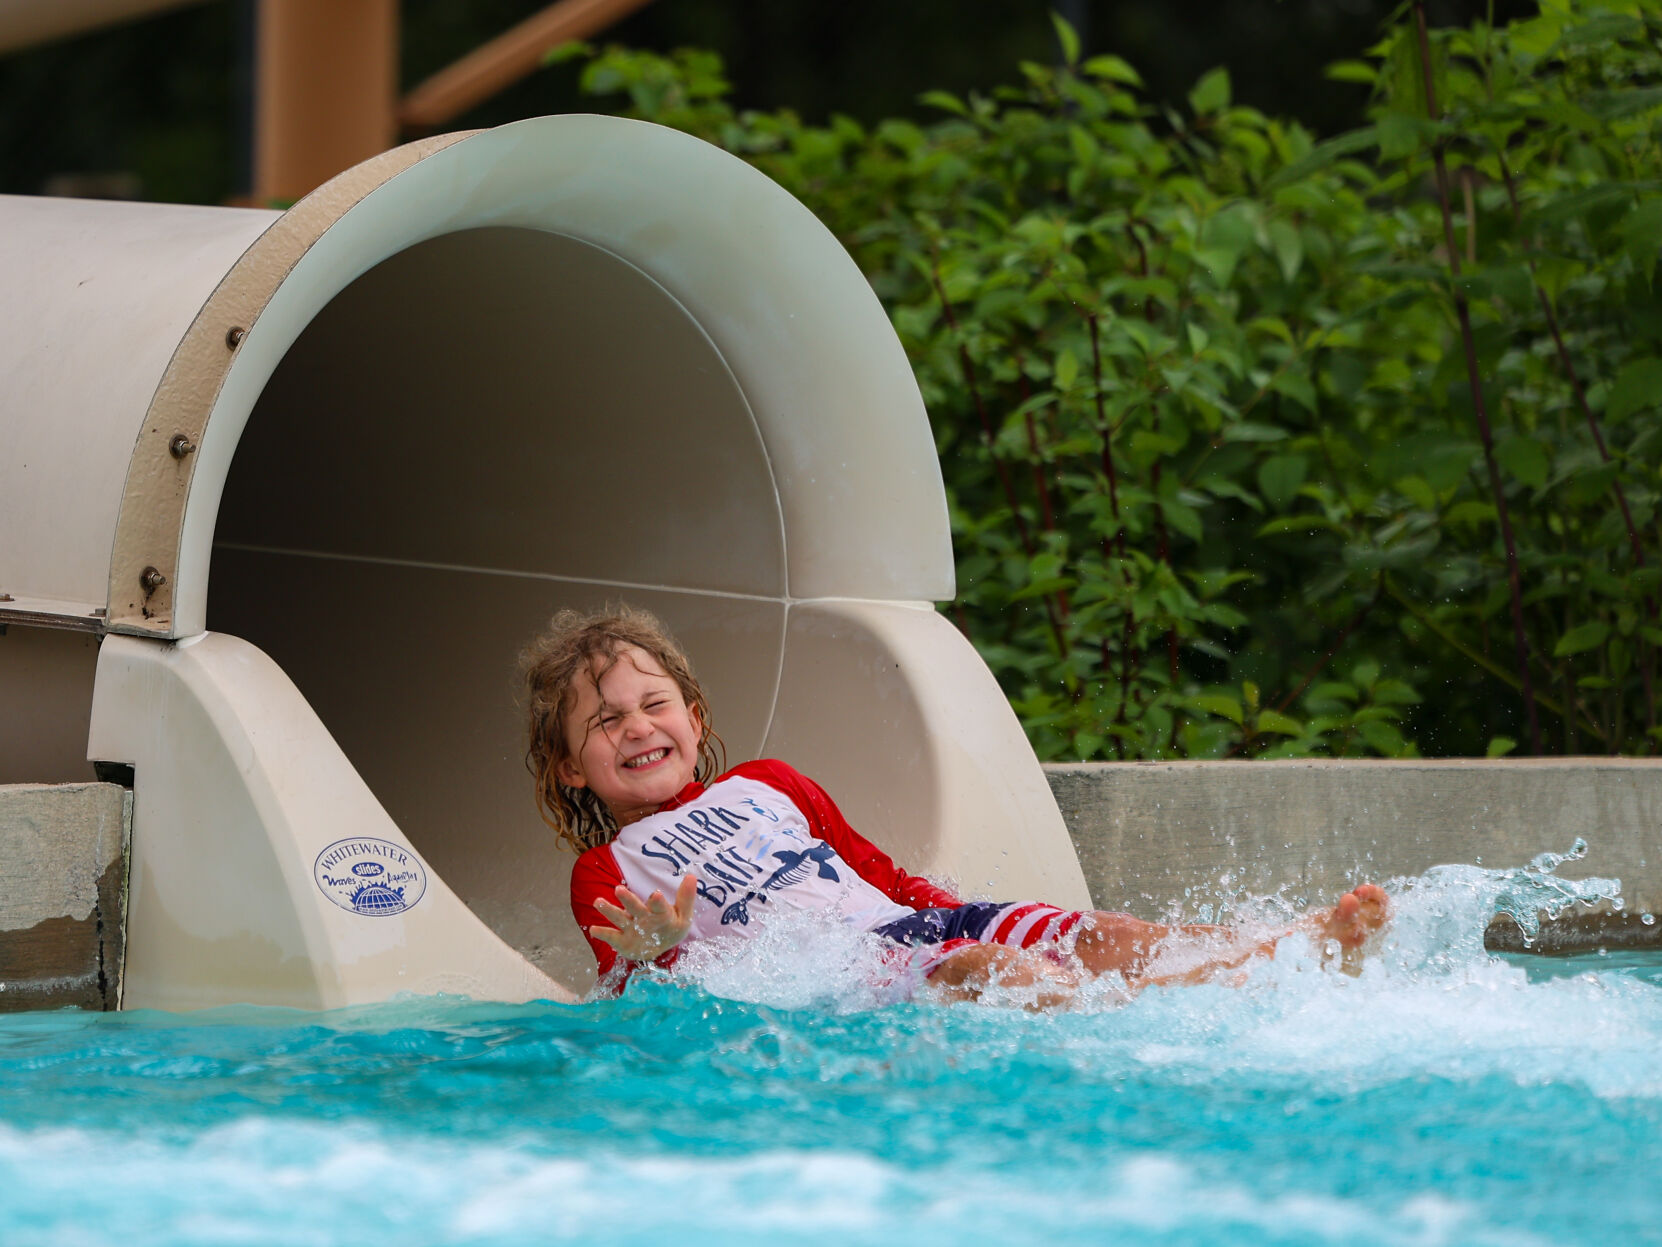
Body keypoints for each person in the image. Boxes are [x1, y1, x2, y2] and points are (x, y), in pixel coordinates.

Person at [522, 606, 1388, 1006]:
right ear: (570, 769)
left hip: (914, 926)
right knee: (993, 970)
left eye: (654, 704)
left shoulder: (770, 781)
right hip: (845, 976)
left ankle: (1277, 950)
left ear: (695, 716)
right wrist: (655, 955)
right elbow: (641, 1003)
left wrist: (979, 914)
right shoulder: (606, 871)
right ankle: (1194, 1007)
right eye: (605, 722)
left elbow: (879, 875)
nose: (638, 727)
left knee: (1101, 933)